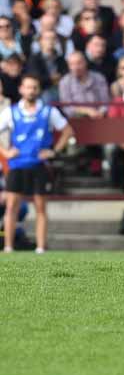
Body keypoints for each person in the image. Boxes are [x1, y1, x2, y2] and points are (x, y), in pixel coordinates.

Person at [1, 74, 74, 253]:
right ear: (21, 89)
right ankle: (8, 247)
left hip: (38, 164)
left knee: (40, 207)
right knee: (11, 207)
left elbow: (67, 131)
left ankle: (41, 247)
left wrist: (53, 151)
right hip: (17, 164)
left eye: (34, 87)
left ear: (38, 90)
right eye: (28, 87)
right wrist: (5, 152)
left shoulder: (48, 111)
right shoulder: (11, 111)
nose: (31, 91)